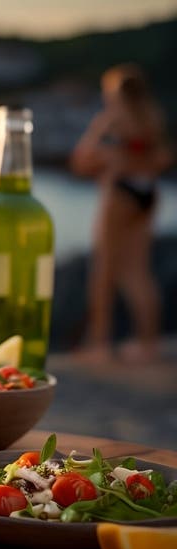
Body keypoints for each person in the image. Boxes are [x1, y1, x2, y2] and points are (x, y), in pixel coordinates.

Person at [71, 64, 172, 363]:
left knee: (104, 269)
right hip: (147, 193)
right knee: (138, 271)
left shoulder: (114, 119)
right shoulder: (153, 117)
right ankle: (147, 343)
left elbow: (82, 158)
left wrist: (104, 150)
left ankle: (99, 344)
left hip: (120, 193)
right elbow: (160, 157)